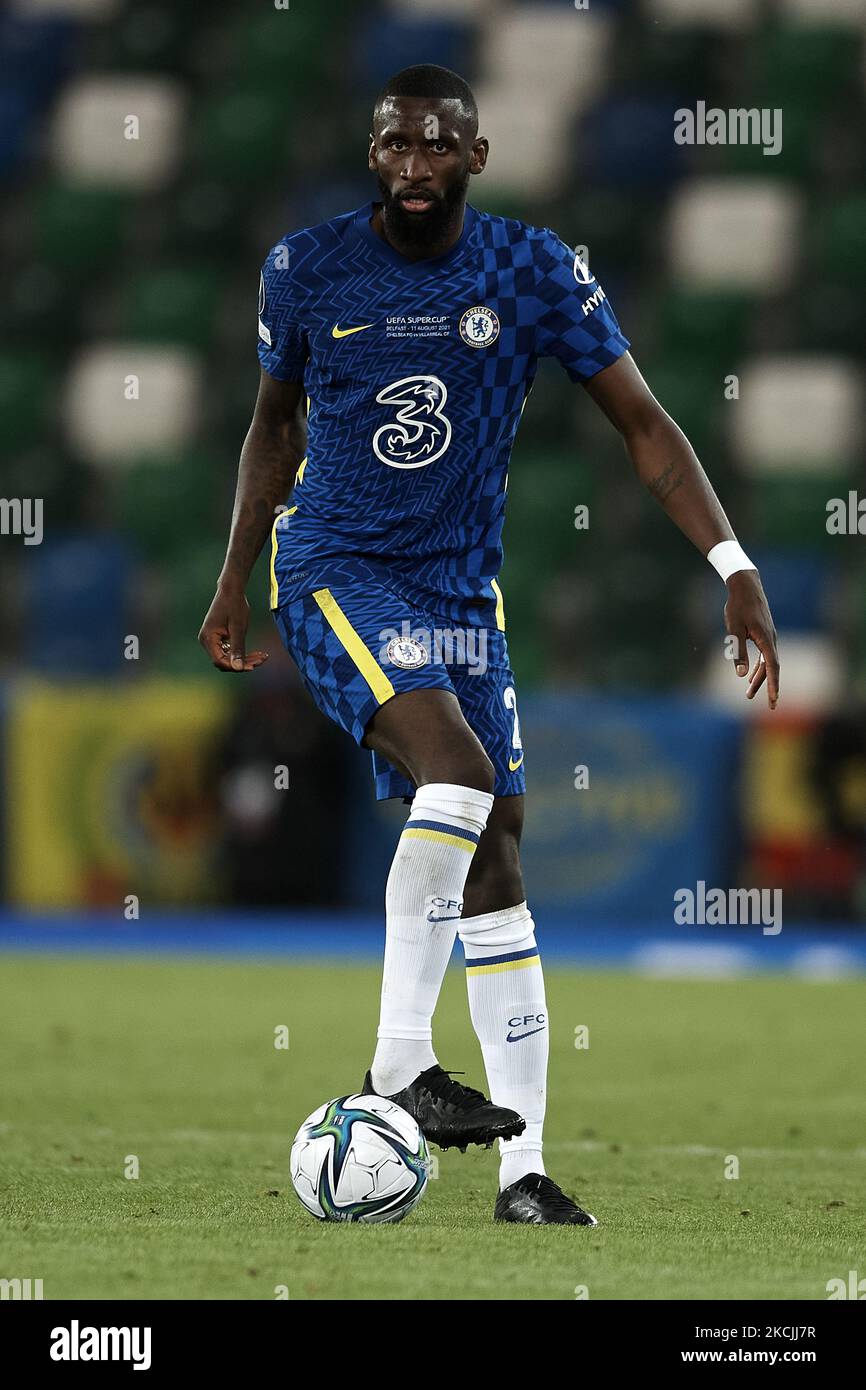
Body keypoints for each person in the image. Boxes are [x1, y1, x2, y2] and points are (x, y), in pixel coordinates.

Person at [199, 64, 780, 1225]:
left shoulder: (528, 269)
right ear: (372, 157)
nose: (412, 164)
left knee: (499, 852)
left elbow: (645, 425)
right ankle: (399, 1064)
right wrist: (232, 581)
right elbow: (273, 427)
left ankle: (523, 1173)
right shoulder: (305, 269)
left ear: (475, 157)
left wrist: (732, 566)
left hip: (462, 592)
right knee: (457, 777)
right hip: (336, 572)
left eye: (435, 145)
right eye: (393, 145)